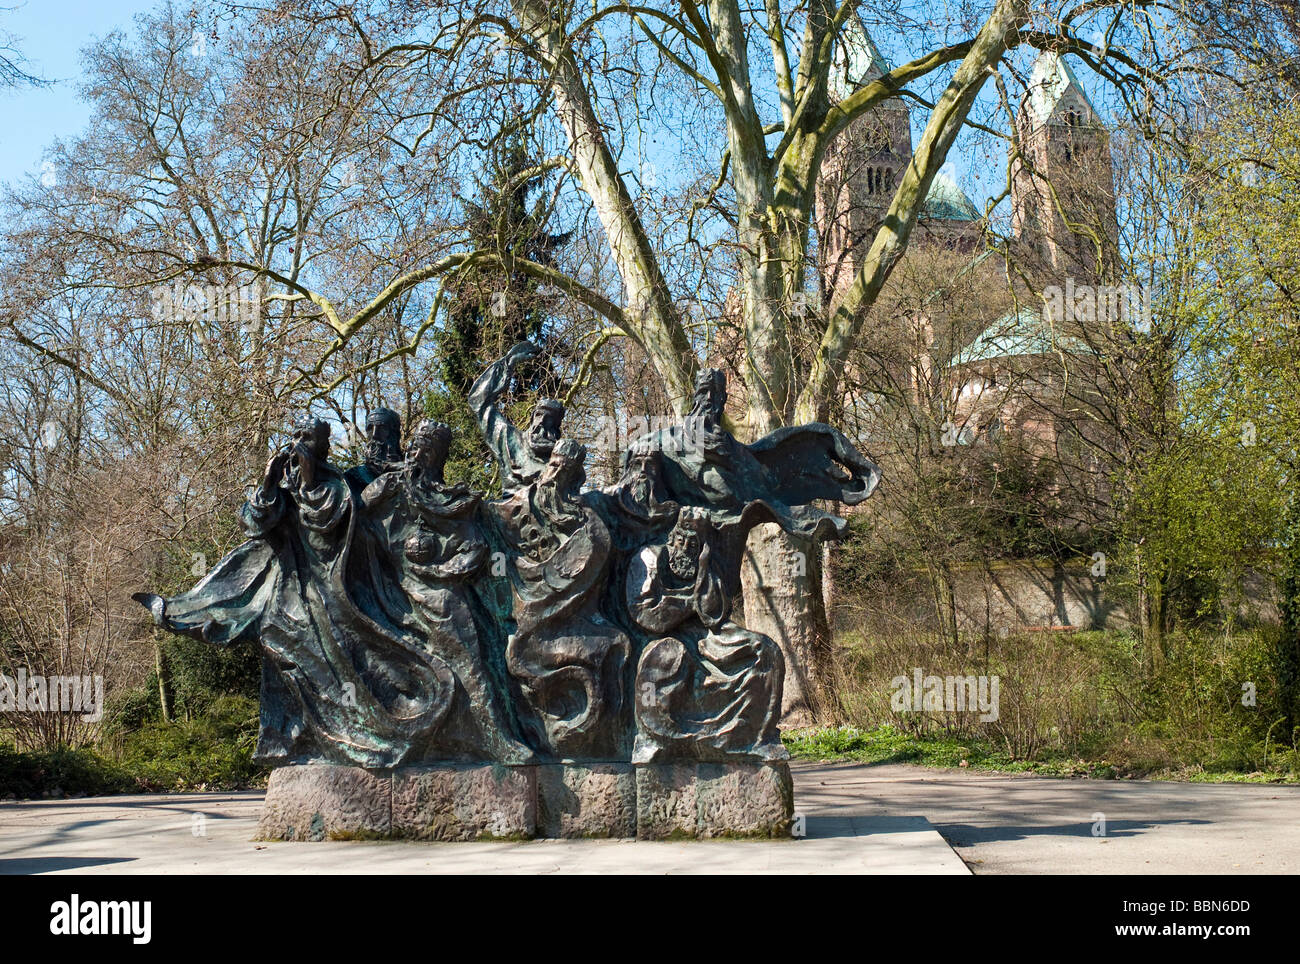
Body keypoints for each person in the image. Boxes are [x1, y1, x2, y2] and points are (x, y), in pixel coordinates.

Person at [468, 341, 565, 495]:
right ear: (532, 417)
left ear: (556, 426)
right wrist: (508, 363)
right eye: (538, 415)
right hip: (512, 506)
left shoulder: (563, 459)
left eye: (549, 418)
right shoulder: (510, 440)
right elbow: (478, 401)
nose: (541, 422)